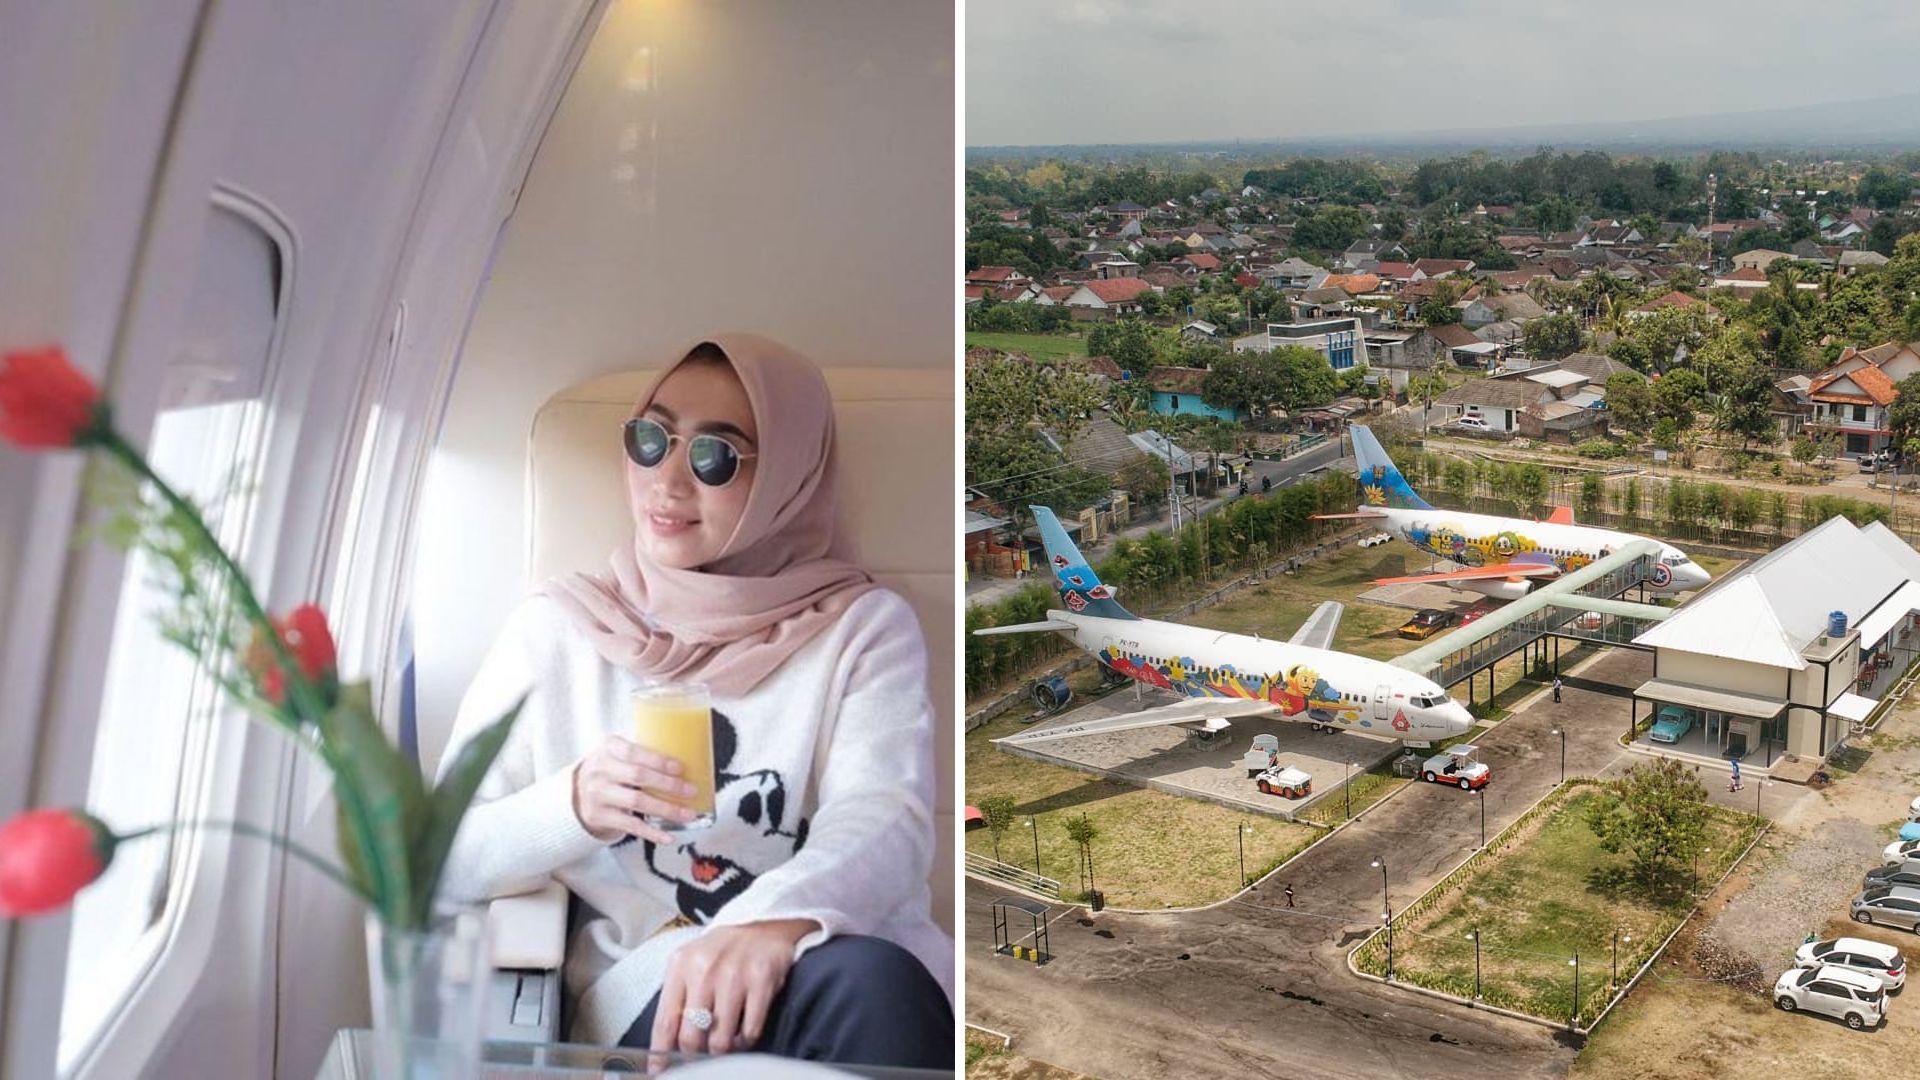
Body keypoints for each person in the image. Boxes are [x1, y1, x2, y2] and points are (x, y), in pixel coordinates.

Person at [437, 337, 952, 1067]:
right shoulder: (556, 630)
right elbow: (437, 856)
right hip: (651, 991)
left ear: (787, 477)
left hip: (834, 964)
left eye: (714, 456)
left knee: (870, 984)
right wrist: (573, 804)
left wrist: (772, 926)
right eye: (652, 440)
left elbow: (885, 819)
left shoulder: (861, 627)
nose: (669, 482)